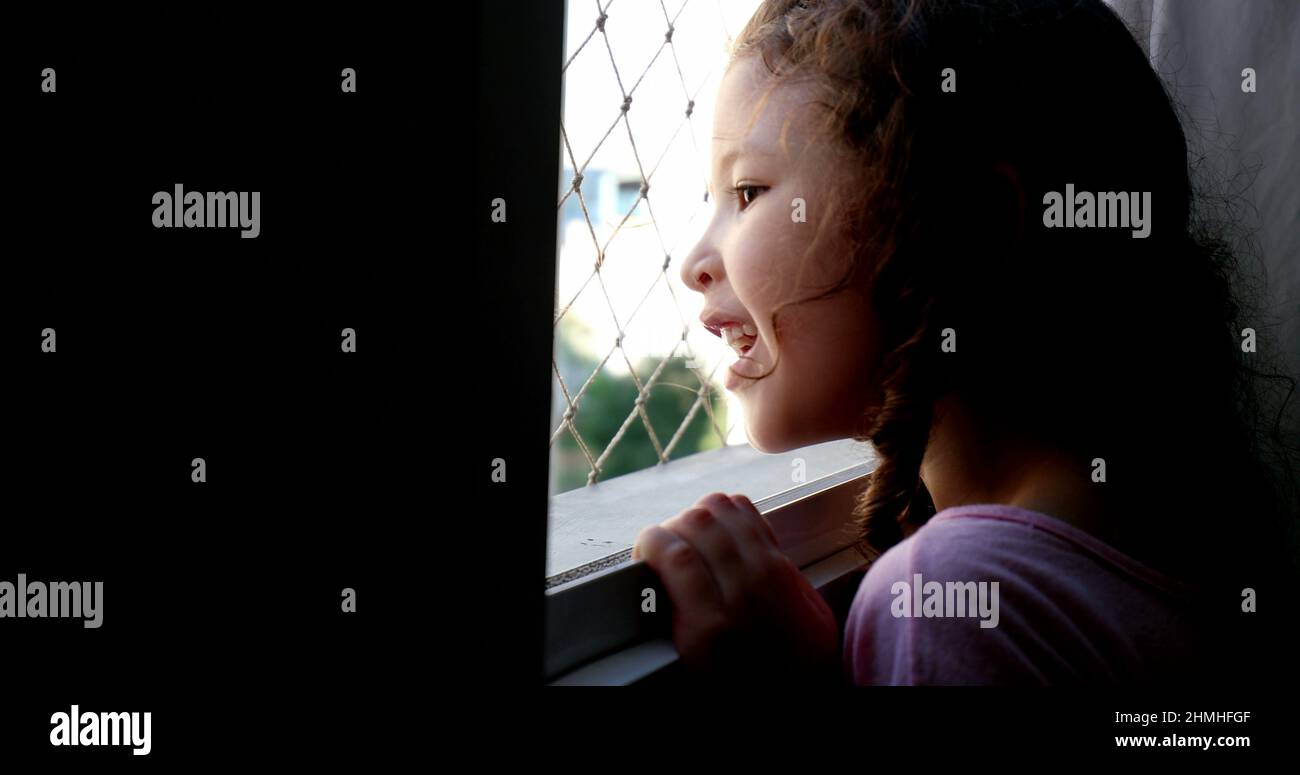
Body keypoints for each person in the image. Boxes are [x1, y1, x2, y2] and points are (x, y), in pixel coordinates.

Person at [632, 0, 1299, 685]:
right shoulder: (1182, 537)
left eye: (748, 191)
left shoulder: (950, 602)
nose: (694, 263)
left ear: (969, 232)